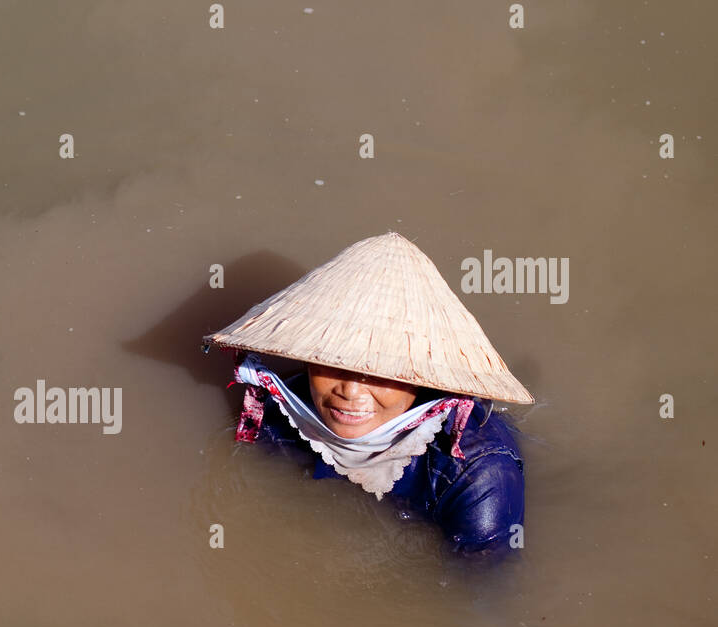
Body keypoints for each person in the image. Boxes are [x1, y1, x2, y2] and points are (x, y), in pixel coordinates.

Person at [203, 232, 532, 553]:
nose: (349, 390)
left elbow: (478, 595)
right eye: (331, 362)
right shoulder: (281, 413)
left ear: (422, 377)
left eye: (380, 373)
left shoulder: (480, 479)